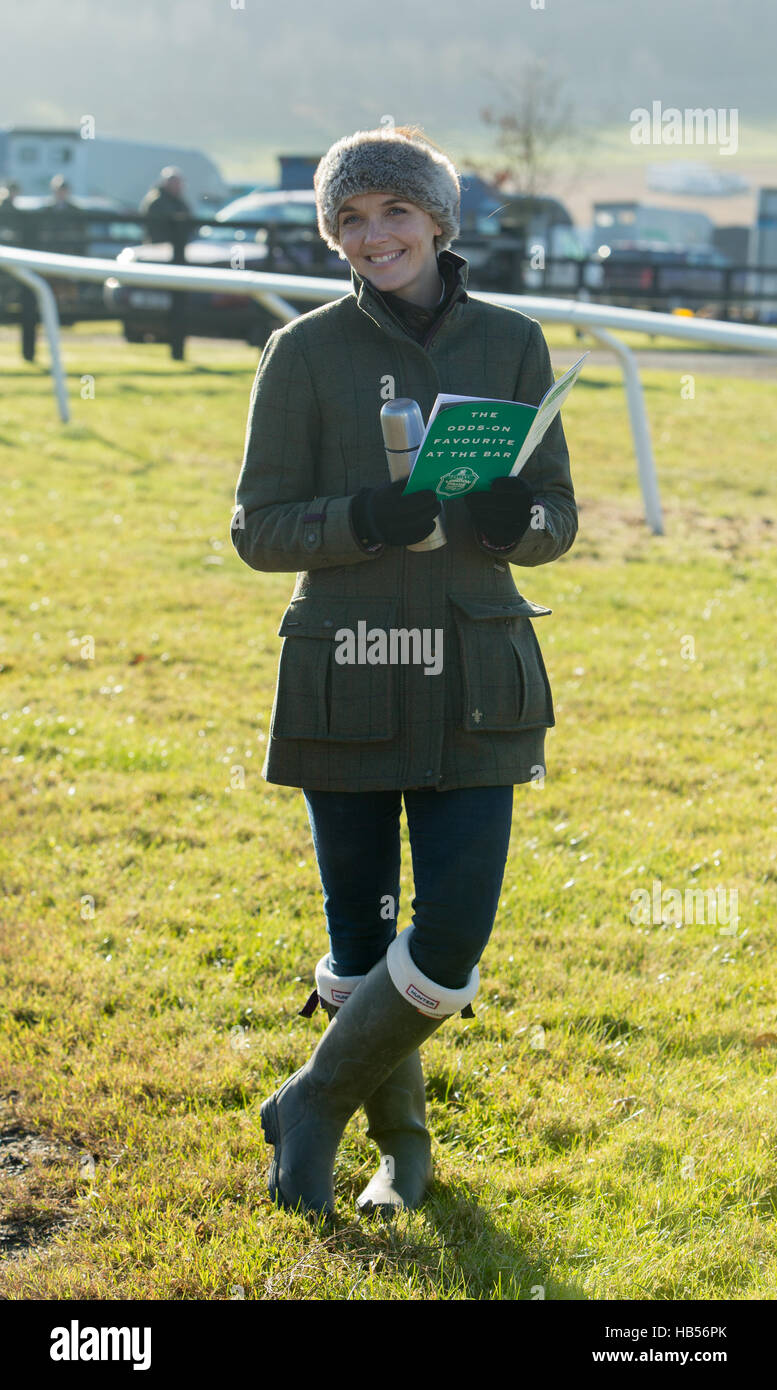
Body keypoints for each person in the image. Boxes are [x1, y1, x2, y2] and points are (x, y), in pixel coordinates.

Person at [230, 125, 578, 1220]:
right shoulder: (304, 352)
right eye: (350, 220)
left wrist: (520, 516)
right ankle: (407, 1153)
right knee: (361, 935)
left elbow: (557, 517)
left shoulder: (516, 342)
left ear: (437, 219)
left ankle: (311, 1101)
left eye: (392, 213)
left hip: (480, 673)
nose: (372, 237)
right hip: (350, 673)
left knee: (456, 929)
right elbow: (256, 529)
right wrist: (361, 520)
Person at [138, 166, 192, 247]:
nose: (179, 186)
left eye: (179, 183)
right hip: (157, 246)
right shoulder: (156, 201)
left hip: (177, 246)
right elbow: (155, 227)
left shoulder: (180, 202)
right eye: (175, 183)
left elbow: (188, 220)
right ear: (167, 183)